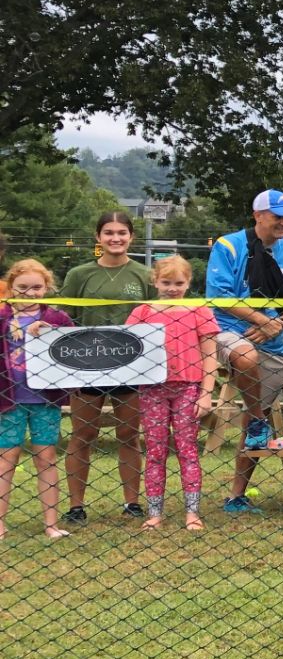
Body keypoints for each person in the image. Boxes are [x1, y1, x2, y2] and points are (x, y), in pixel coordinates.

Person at [206, 189, 283, 514]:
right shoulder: (228, 246)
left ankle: (236, 496)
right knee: (245, 357)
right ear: (258, 215)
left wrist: (277, 324)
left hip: (276, 341)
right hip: (230, 331)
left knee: (258, 420)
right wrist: (260, 321)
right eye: (278, 216)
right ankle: (256, 420)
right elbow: (220, 296)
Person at [60, 210, 154, 524]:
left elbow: (160, 318)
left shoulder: (144, 275)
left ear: (131, 237)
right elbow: (63, 318)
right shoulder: (79, 274)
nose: (116, 238)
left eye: (122, 232)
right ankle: (76, 506)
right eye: (109, 232)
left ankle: (132, 503)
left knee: (129, 434)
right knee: (83, 434)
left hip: (133, 365)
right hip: (86, 364)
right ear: (98, 237)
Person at [126, 256, 218, 530]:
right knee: (155, 451)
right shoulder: (143, 311)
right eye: (166, 282)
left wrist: (206, 392)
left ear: (188, 282)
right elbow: (127, 346)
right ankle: (155, 513)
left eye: (179, 283)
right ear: (155, 281)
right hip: (152, 389)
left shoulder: (199, 310)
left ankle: (192, 512)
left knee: (187, 449)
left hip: (188, 387)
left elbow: (210, 353)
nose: (172, 288)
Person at [0, 260, 76, 539]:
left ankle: (51, 524)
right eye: (22, 287)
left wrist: (51, 332)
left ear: (46, 287)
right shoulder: (1, 317)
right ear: (11, 286)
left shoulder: (57, 318)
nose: (29, 293)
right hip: (8, 401)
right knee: (6, 460)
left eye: (36, 287)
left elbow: (73, 347)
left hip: (46, 400)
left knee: (46, 458)